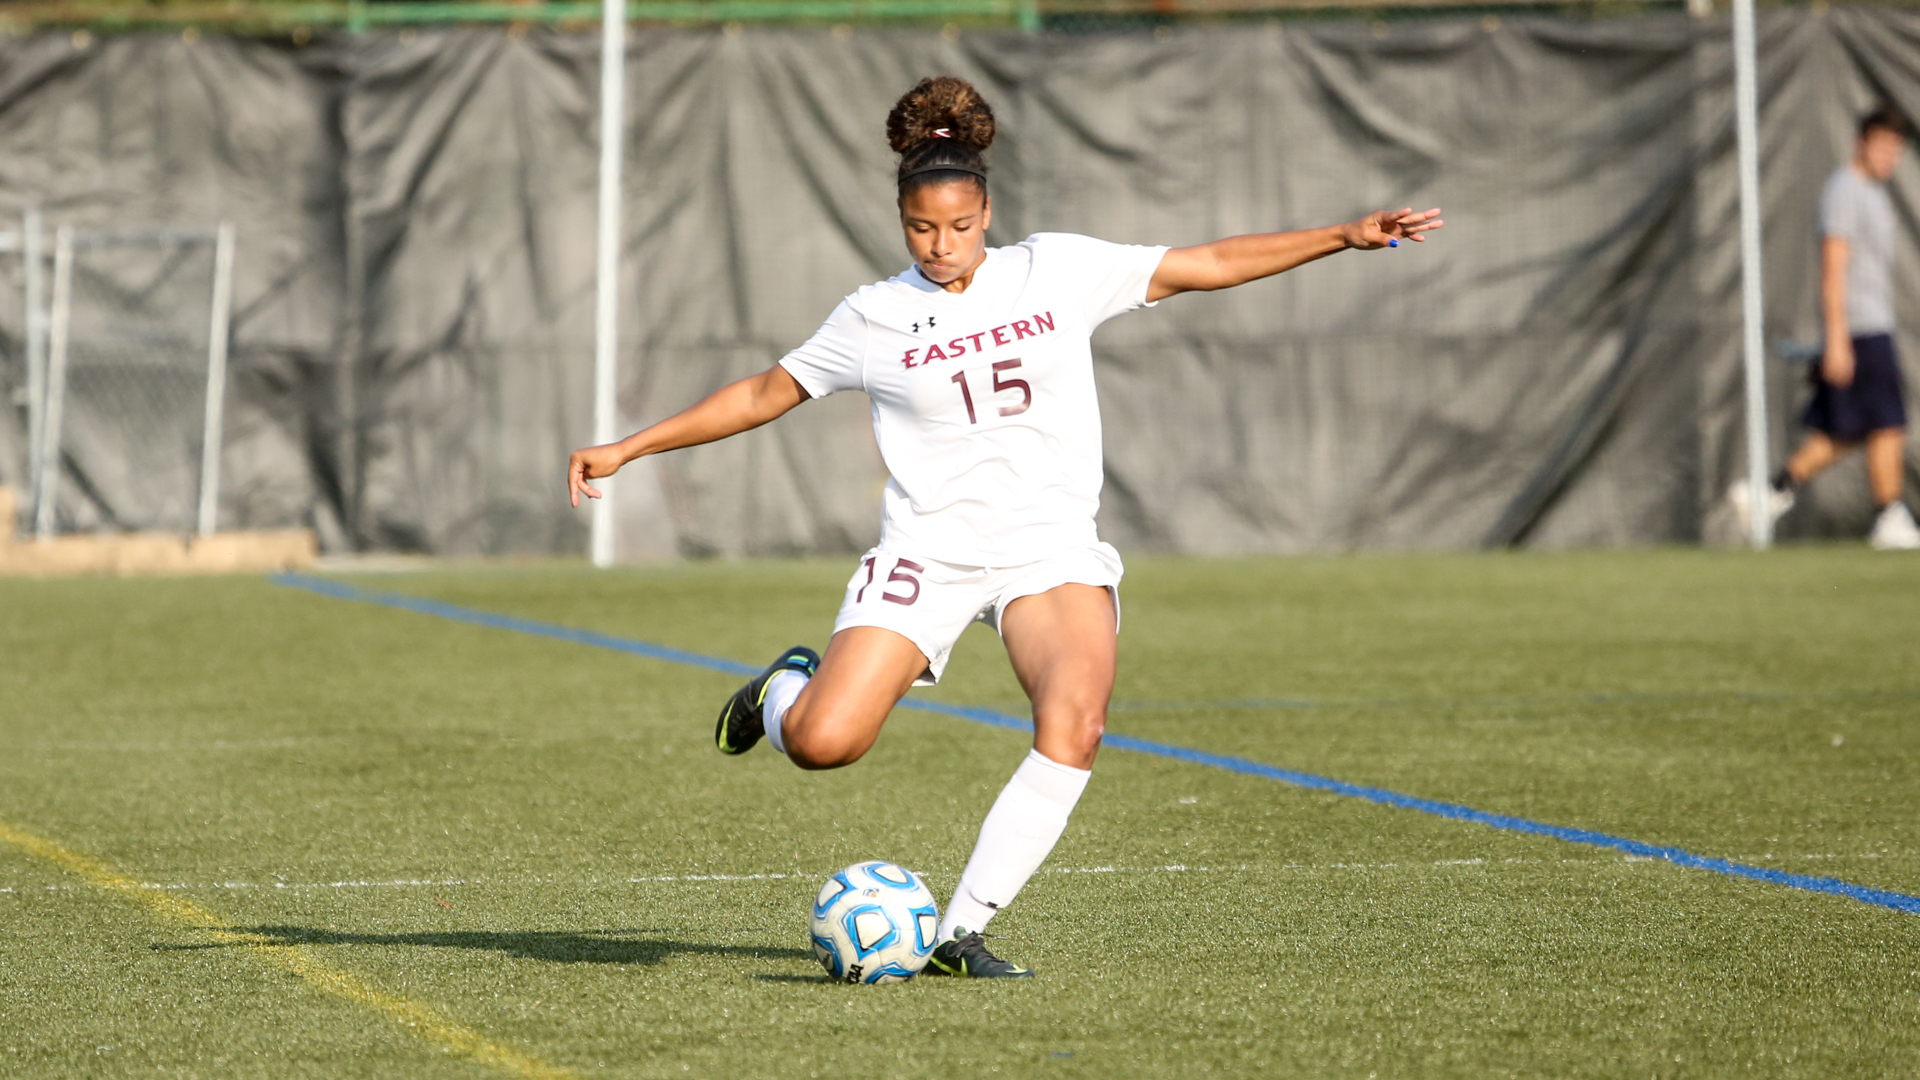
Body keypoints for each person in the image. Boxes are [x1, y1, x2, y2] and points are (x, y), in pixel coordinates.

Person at [567, 76, 1443, 978]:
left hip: (1048, 549)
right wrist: (630, 447)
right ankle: (784, 689)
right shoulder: (872, 316)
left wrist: (1343, 235)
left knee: (1076, 722)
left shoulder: (1055, 269)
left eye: (959, 225)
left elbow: (1204, 263)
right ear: (900, 217)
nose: (941, 245)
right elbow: (763, 394)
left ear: (987, 207)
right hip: (928, 555)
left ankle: (958, 933)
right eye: (921, 228)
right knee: (827, 744)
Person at [1733, 107, 1919, 549]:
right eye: (1883, 146)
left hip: (1868, 327)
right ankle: (1888, 515)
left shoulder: (1874, 194)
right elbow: (1832, 268)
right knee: (1887, 424)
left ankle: (1771, 493)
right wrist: (1837, 340)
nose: (1889, 156)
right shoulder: (1845, 191)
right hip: (1860, 329)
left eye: (1896, 148)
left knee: (1848, 430)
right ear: (1862, 143)